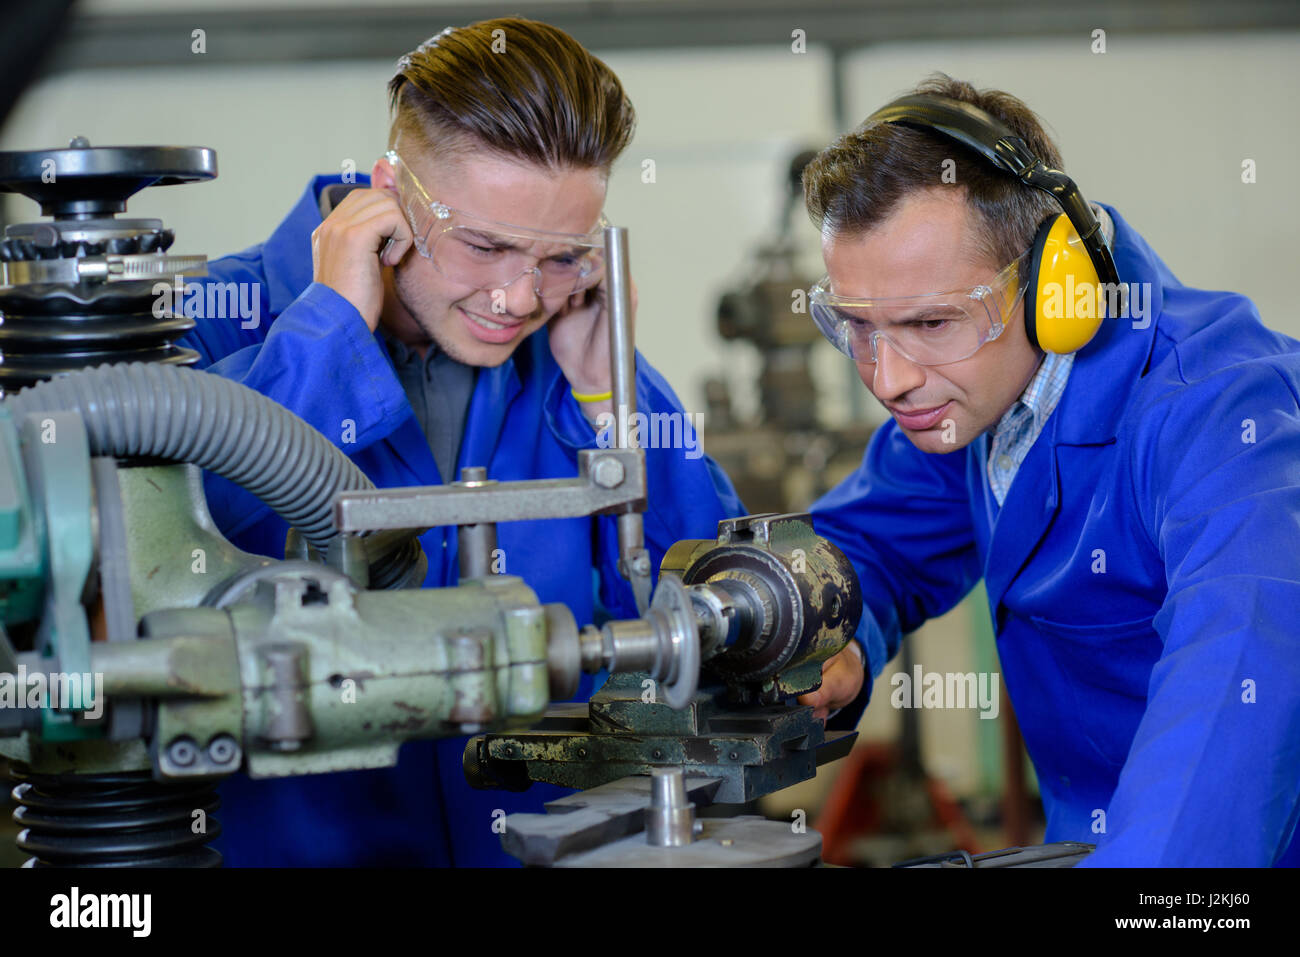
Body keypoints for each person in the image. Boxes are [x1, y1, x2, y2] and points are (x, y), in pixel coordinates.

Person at [179, 18, 743, 866]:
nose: (518, 298)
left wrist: (608, 390)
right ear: (387, 196)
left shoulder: (570, 353)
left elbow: (708, 607)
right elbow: (169, 587)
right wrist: (326, 335)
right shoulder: (209, 330)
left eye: (561, 255)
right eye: (484, 245)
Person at [795, 75, 1300, 866]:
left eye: (930, 321)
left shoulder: (1220, 411)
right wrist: (834, 636)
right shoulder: (974, 395)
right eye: (857, 327)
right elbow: (876, 544)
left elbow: (1244, 676)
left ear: (1054, 283)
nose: (888, 377)